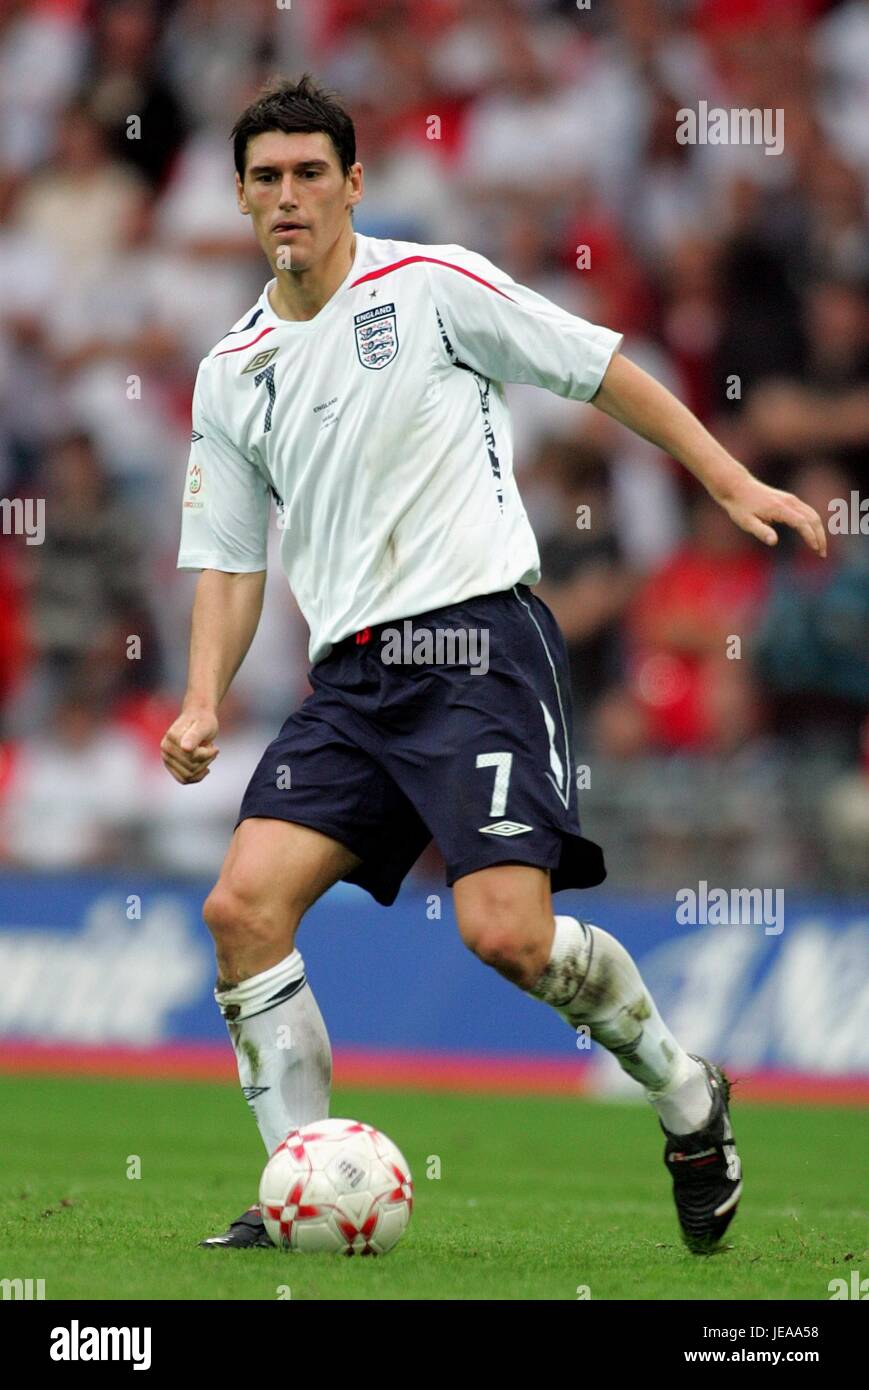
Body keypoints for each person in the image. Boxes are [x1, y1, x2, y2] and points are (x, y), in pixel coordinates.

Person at [162, 74, 826, 1254]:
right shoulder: (235, 368)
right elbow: (225, 557)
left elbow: (597, 366)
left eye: (311, 172)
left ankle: (683, 1092)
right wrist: (204, 697)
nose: (289, 195)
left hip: (475, 648)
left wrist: (726, 480)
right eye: (266, 177)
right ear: (238, 196)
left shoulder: (429, 287)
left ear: (354, 182)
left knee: (507, 936)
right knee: (241, 909)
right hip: (352, 680)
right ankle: (298, 1179)